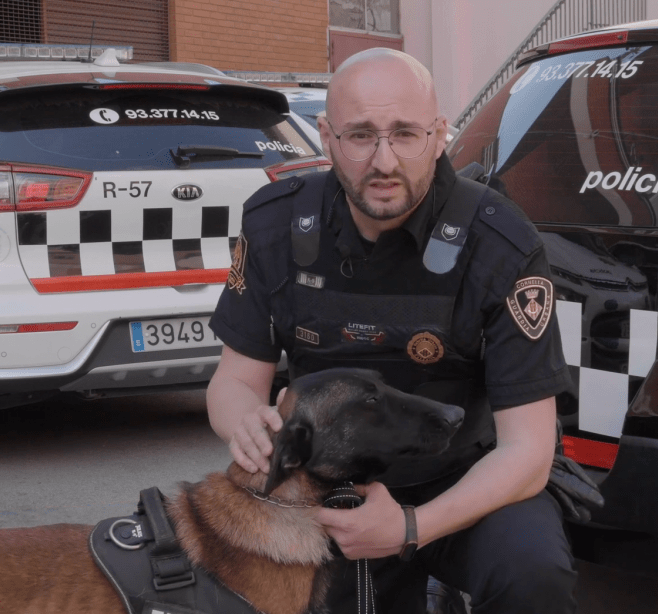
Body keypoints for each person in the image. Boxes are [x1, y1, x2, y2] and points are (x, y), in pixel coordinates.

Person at [206, 48, 577, 614]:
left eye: (406, 134)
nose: (384, 161)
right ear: (327, 137)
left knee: (534, 578)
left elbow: (528, 452)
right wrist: (249, 426)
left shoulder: (499, 244)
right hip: (327, 494)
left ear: (441, 133)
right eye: (360, 136)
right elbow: (233, 382)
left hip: (465, 486)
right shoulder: (277, 224)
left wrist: (410, 526)